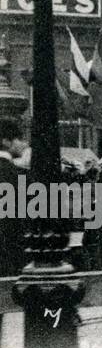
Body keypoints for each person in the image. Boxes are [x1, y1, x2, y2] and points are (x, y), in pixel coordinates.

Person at [0, 118, 28, 279]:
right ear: (6, 141)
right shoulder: (18, 176)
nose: (24, 143)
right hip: (12, 255)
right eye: (20, 139)